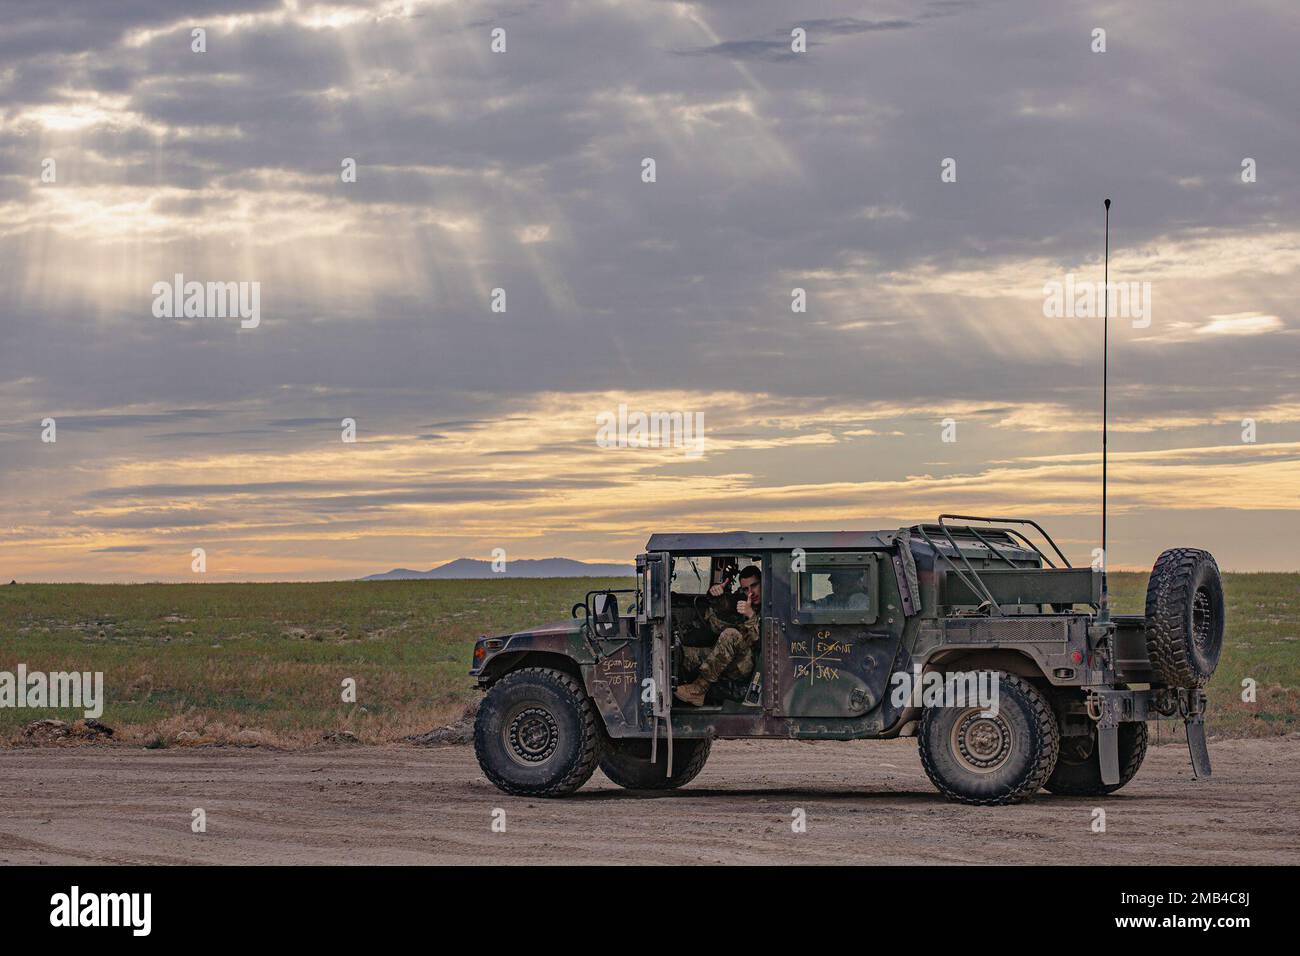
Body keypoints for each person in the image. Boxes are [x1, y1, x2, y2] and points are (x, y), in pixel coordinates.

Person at [674, 566, 761, 706]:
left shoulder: (773, 604)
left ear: (763, 583)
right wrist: (717, 596)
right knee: (686, 654)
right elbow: (720, 620)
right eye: (746, 589)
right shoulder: (743, 600)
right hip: (736, 658)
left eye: (754, 586)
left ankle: (698, 689)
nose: (751, 593)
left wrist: (751, 616)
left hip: (752, 665)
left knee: (731, 635)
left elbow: (764, 644)